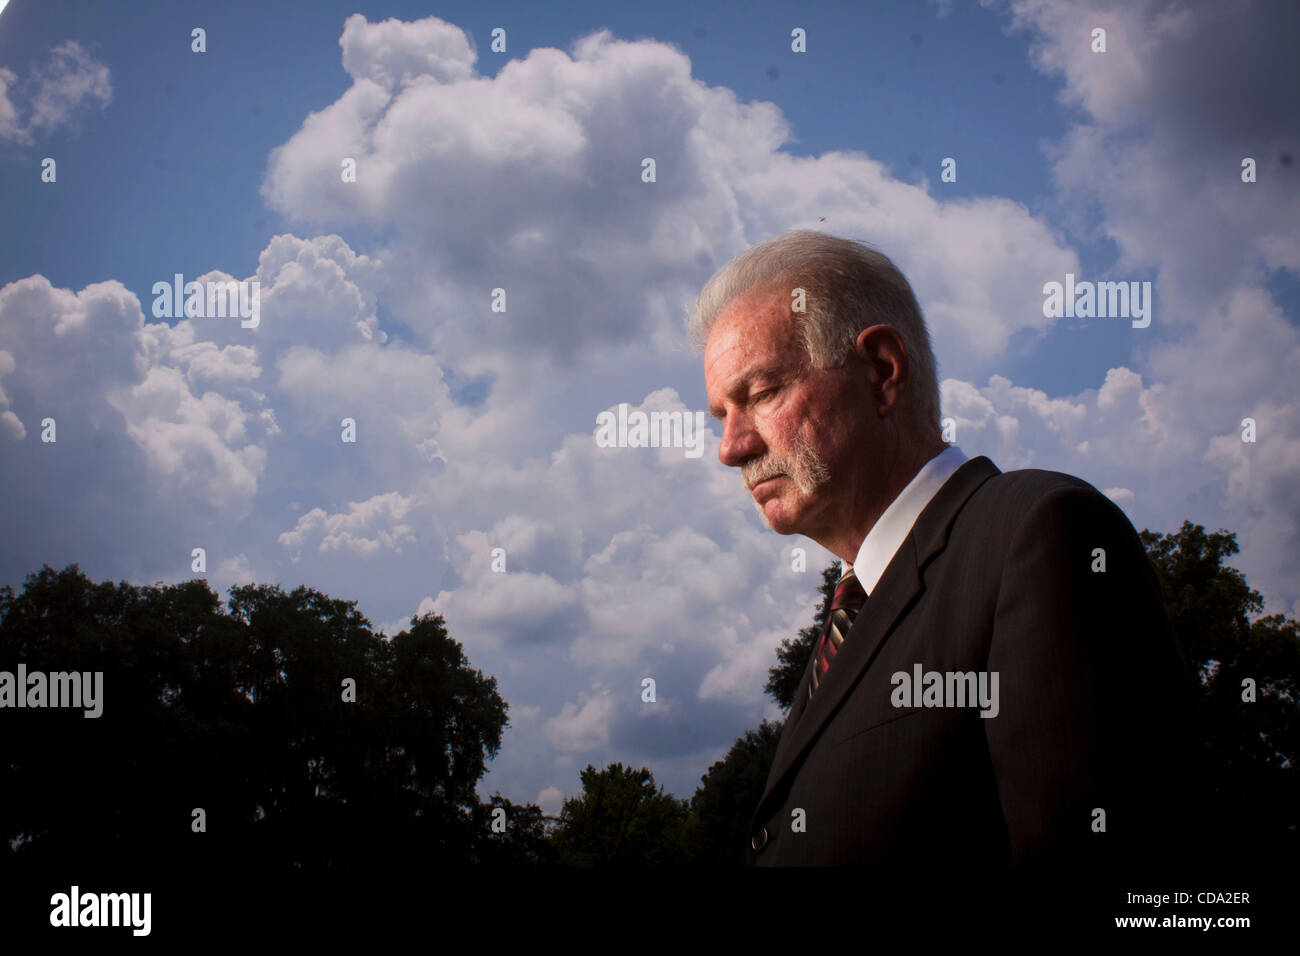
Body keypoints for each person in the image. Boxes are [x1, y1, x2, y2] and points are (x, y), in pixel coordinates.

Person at [691, 230, 1195, 867]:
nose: (731, 448)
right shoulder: (851, 617)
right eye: (721, 415)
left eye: (761, 395)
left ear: (880, 372)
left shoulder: (1039, 536)